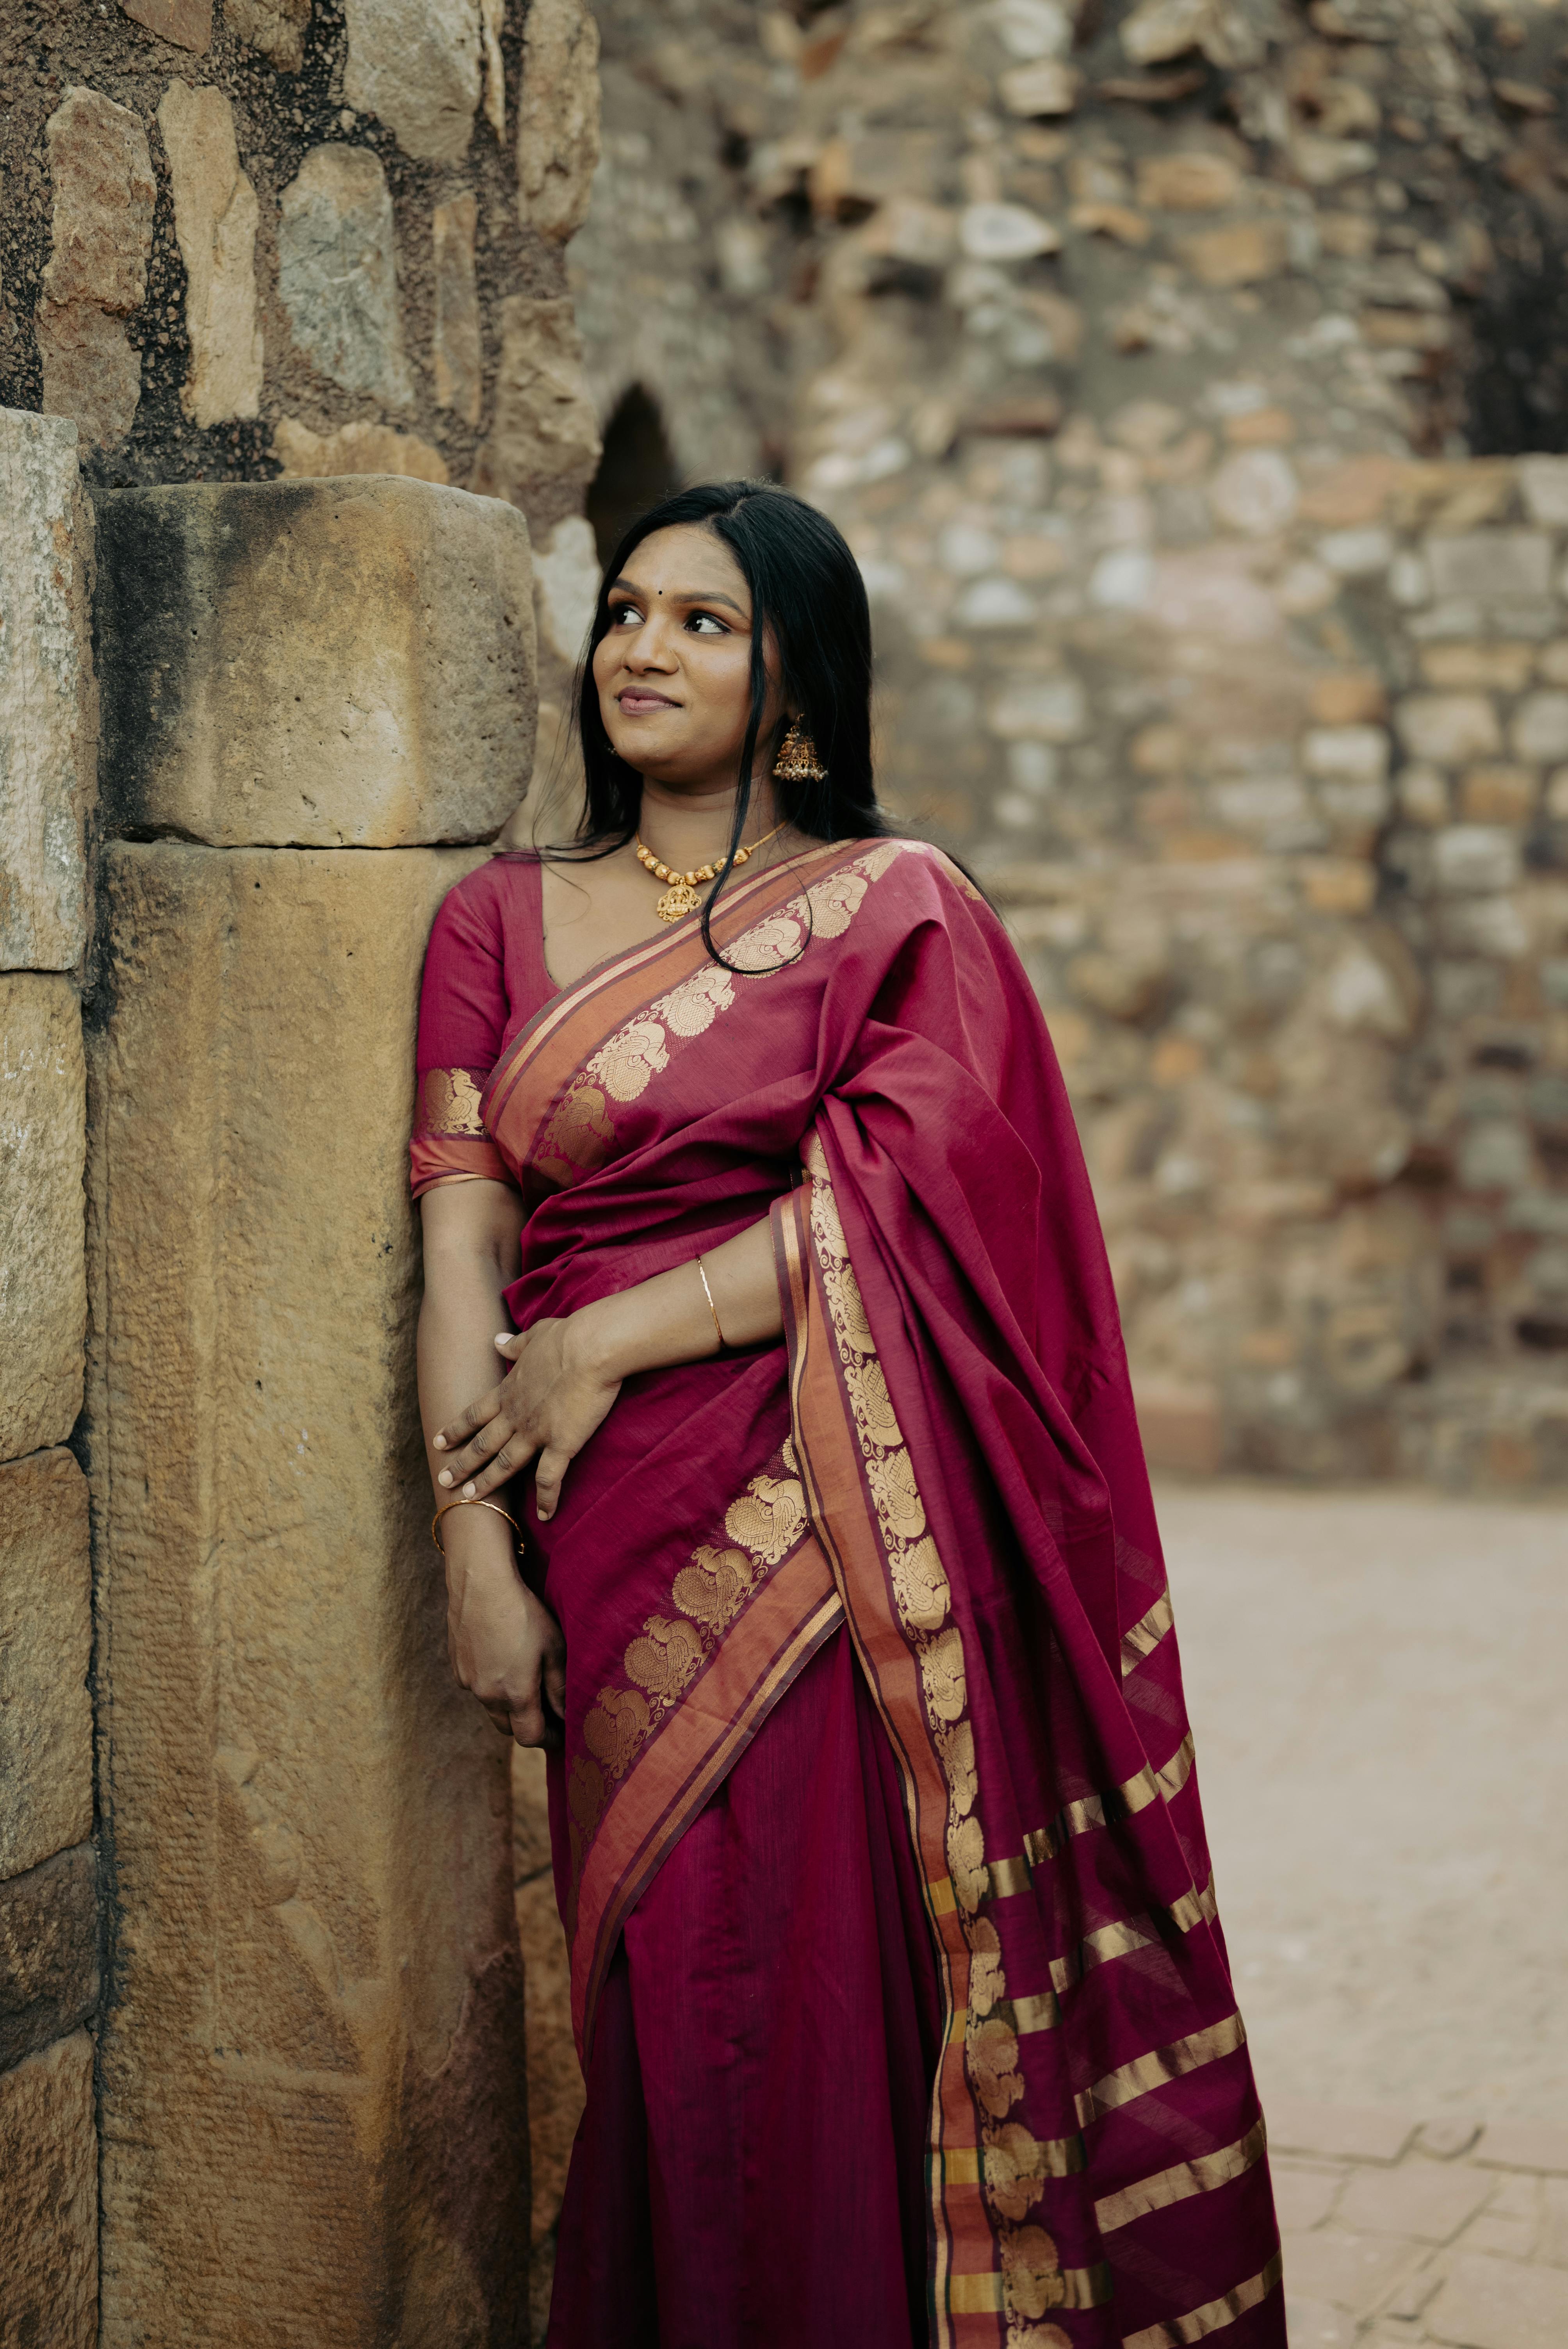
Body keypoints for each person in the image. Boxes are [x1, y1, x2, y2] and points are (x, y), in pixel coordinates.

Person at [411, 481, 1285, 2348]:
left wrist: (604, 1336)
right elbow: (460, 1241)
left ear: (796, 681)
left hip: (842, 1548)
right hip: (610, 1550)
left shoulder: (898, 908)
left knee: (831, 2001)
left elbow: (933, 1207)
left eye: (702, 623)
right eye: (625, 610)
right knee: (666, 2013)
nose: (641, 649)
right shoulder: (492, 918)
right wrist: (471, 1550)